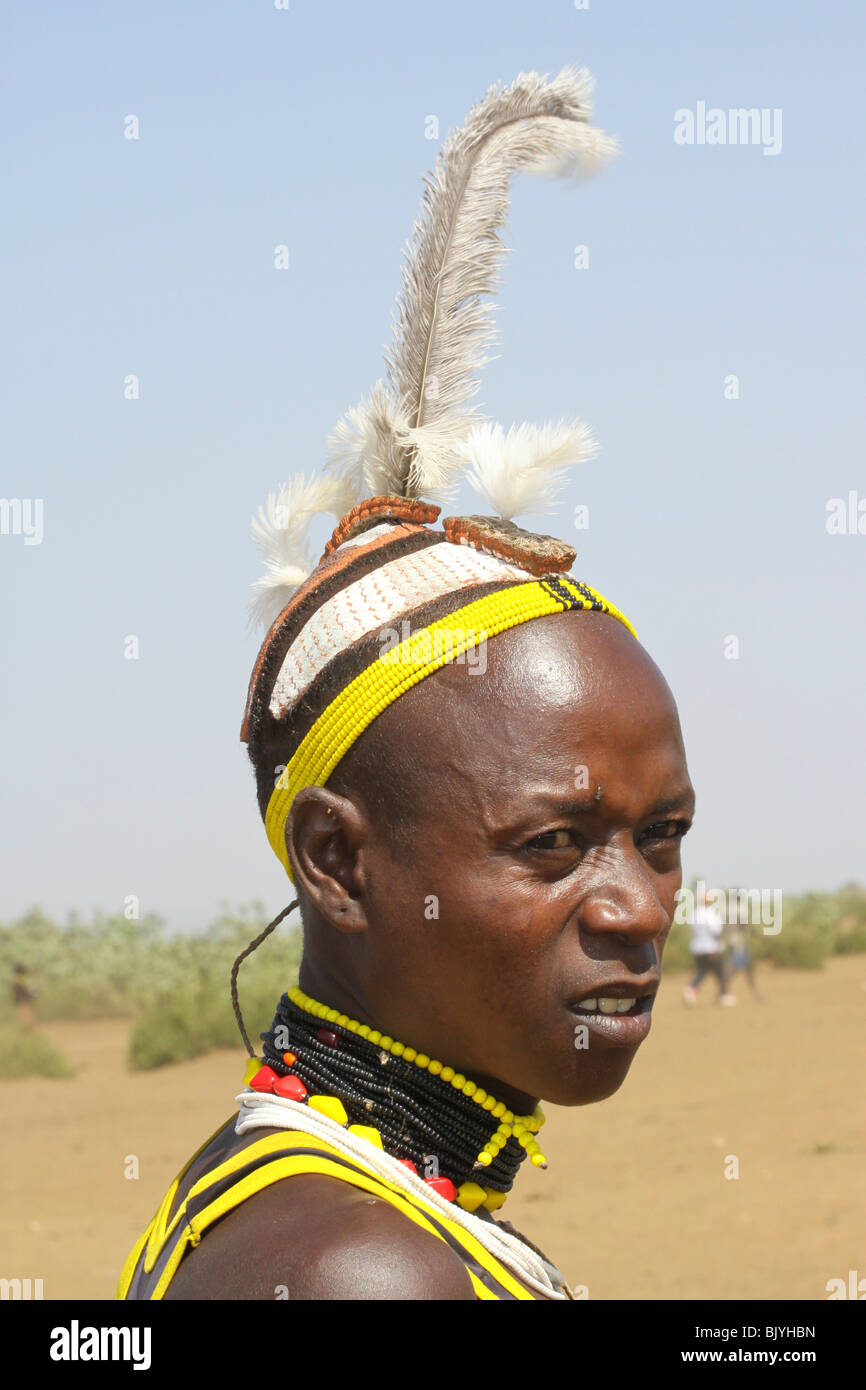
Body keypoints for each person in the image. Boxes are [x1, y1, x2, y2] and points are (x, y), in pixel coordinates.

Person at [117, 67, 694, 1302]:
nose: (637, 909)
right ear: (336, 860)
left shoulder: (333, 1203)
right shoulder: (358, 1270)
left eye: (660, 837)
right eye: (554, 841)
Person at [682, 888, 736, 1006]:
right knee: (721, 973)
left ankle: (690, 990)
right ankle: (724, 996)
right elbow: (716, 931)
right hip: (712, 949)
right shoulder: (711, 913)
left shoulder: (694, 913)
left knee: (701, 971)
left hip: (697, 948)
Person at [12, 963, 37, 1032]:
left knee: (23, 1013)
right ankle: (28, 1028)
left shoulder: (18, 978)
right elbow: (24, 989)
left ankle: (26, 1028)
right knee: (26, 1013)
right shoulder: (20, 979)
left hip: (21, 999)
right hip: (23, 999)